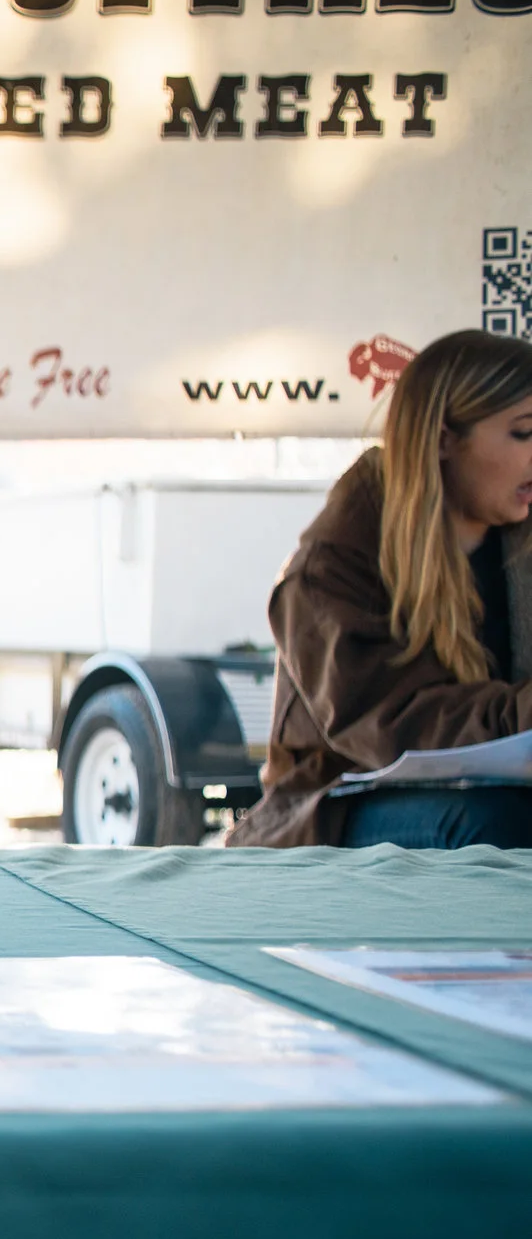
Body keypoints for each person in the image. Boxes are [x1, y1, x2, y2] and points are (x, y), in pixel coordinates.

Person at [229, 329, 532, 849]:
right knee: (496, 824)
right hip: (334, 808)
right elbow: (394, 730)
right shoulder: (334, 564)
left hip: (497, 788)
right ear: (441, 439)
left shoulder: (518, 540)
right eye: (524, 433)